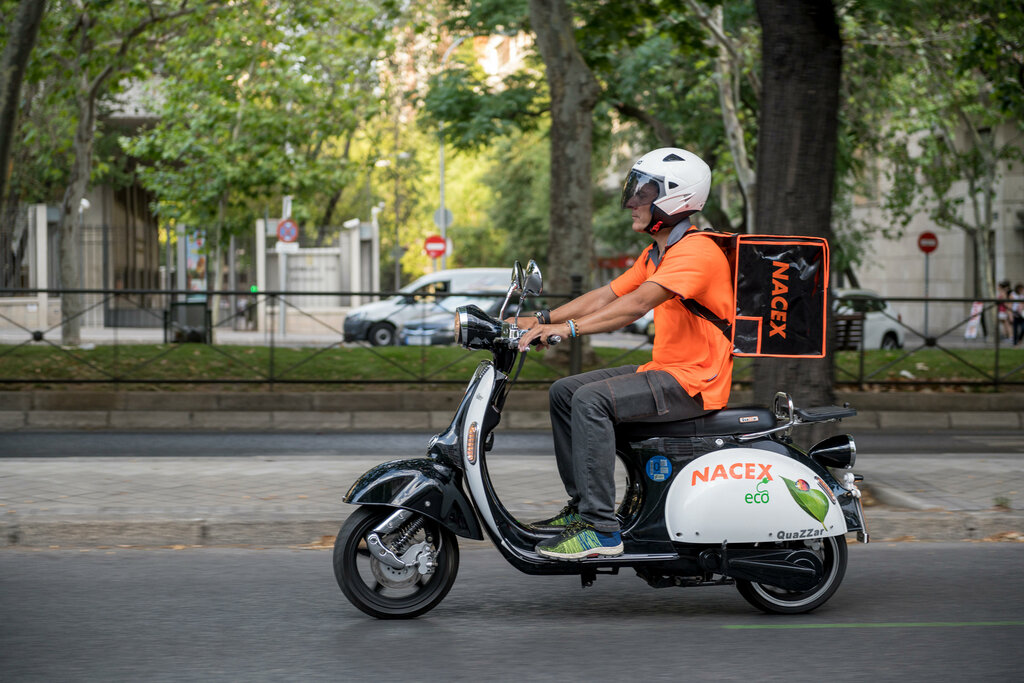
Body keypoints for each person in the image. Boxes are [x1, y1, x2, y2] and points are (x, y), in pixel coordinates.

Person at [515, 148, 734, 560]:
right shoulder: (658, 253)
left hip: (694, 382)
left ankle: (601, 530)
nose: (632, 202)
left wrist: (567, 330)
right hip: (666, 371)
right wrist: (537, 319)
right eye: (634, 191)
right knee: (564, 391)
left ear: (675, 199)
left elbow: (635, 306)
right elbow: (606, 294)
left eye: (644, 193)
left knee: (591, 399)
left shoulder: (696, 252)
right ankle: (582, 510)